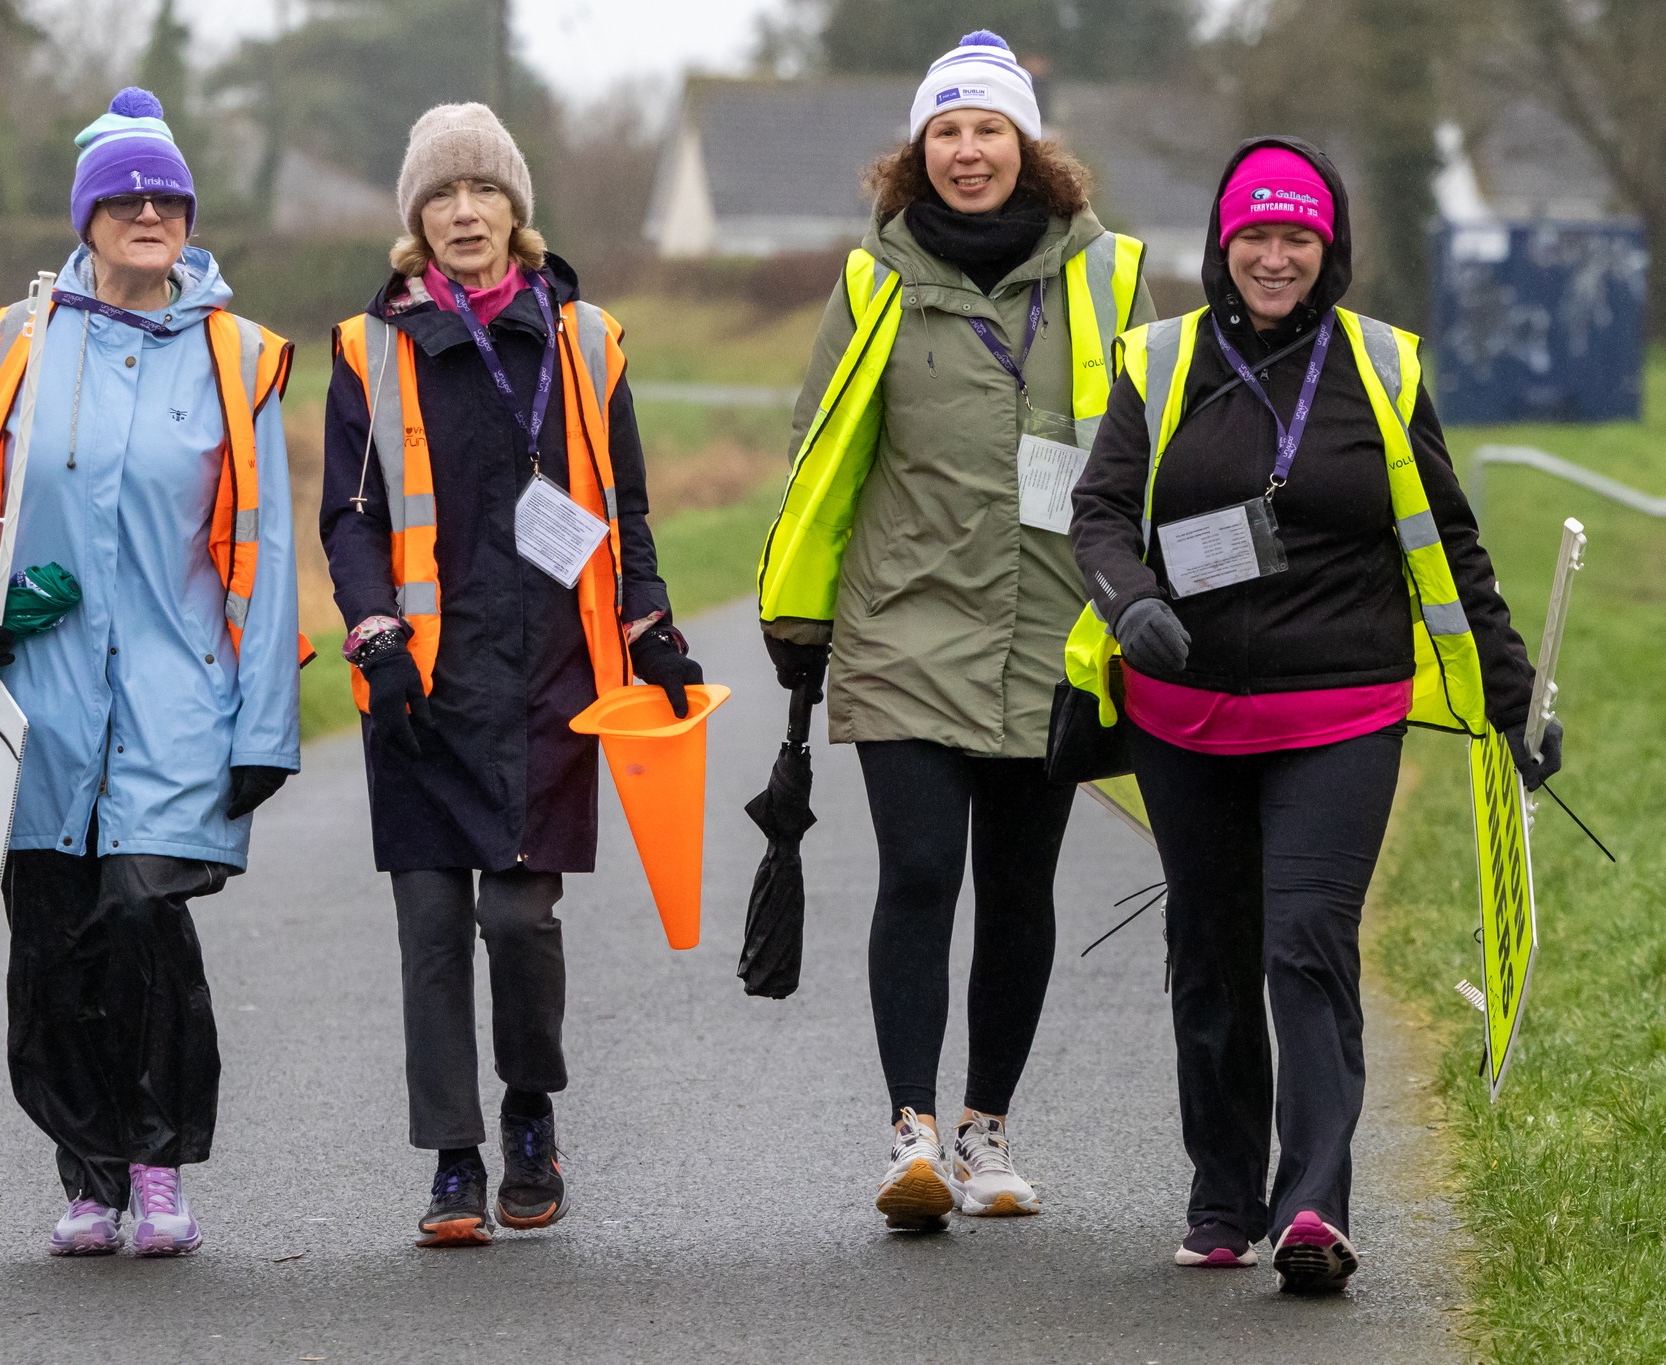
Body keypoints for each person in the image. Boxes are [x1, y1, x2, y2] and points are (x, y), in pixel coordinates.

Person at [1068, 137, 1557, 1291]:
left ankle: (1311, 1209)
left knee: (1304, 940)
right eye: (1254, 237)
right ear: (1220, 246)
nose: (1274, 258)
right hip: (1180, 713)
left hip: (1339, 708)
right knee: (1208, 950)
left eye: (1297, 238)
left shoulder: (1379, 368)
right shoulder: (1157, 360)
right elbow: (1094, 513)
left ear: (1326, 250)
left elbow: (1451, 543)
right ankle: (1222, 1195)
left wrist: (1513, 696)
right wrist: (1129, 601)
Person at [757, 31, 1154, 1230]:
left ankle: (986, 1127)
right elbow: (821, 449)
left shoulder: (1110, 276)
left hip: (1052, 626)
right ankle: (910, 1136)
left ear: (1026, 148)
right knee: (921, 870)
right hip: (903, 618)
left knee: (1019, 886)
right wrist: (798, 610)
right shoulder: (872, 278)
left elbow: (1153, 445)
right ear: (913, 154)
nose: (967, 151)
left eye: (987, 129)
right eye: (945, 132)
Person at [0, 87, 304, 1258]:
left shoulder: (239, 359)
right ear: (87, 218)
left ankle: (156, 1163)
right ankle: (86, 1175)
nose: (148, 211)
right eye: (125, 197)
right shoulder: (13, 341)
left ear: (187, 217)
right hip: (39, 703)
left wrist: (263, 729)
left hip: (179, 700)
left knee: (139, 924)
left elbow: (267, 549)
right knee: (50, 941)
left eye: (166, 196)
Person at [321, 103, 701, 1249]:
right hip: (421, 693)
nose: (463, 213)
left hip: (547, 681)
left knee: (520, 920)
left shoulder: (587, 342)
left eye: (482, 192)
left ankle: (529, 1113)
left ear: (515, 212)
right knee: (432, 928)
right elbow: (350, 518)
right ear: (415, 221)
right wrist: (373, 629)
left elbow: (620, 512)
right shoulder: (366, 350)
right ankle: (452, 1163)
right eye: (440, 196)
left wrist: (650, 629)